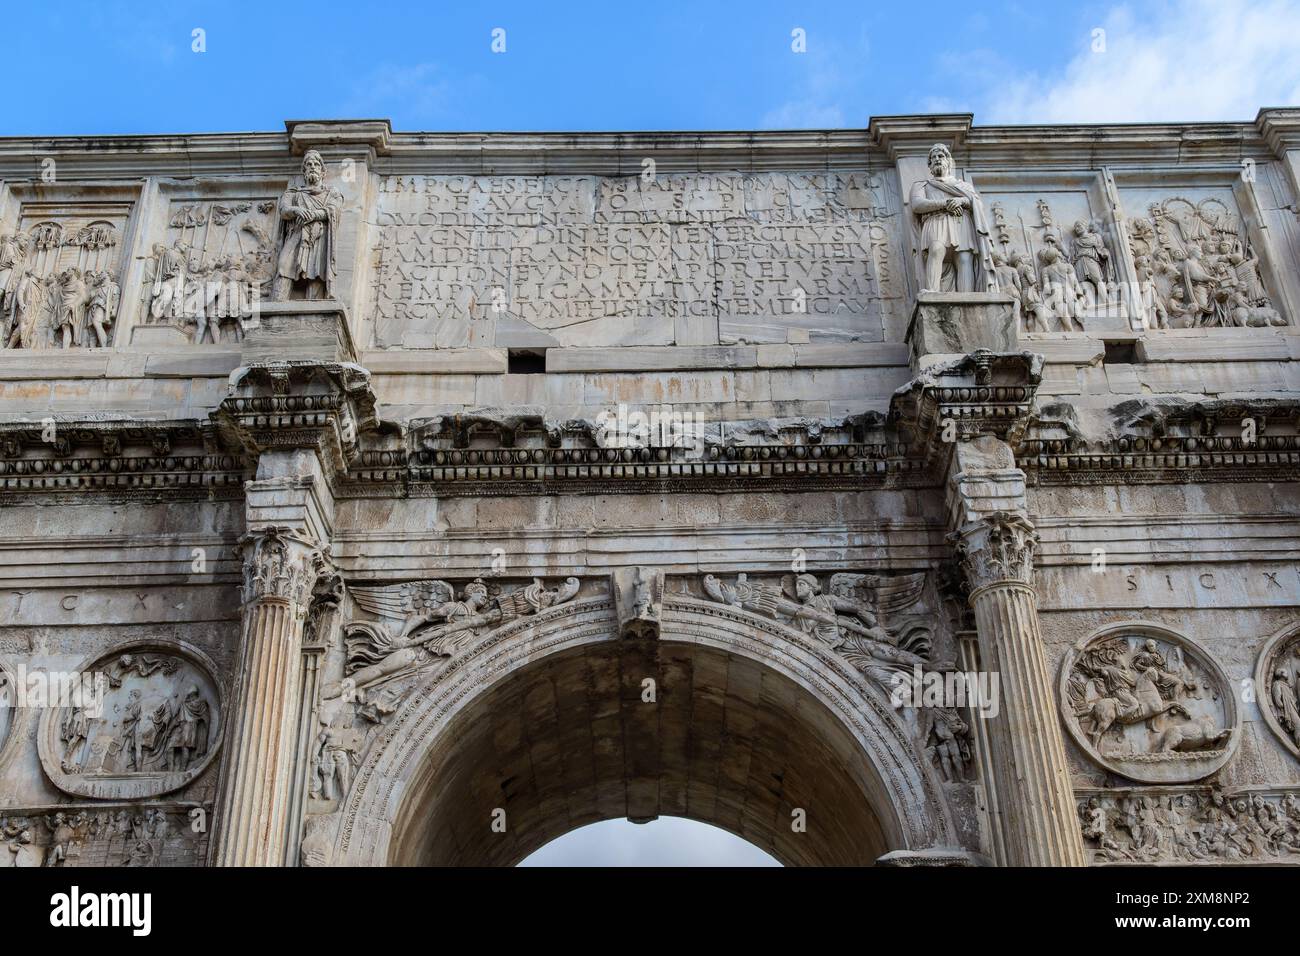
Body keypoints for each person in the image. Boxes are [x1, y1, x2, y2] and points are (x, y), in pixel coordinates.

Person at [909, 143, 996, 293]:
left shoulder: (963, 185)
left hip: (961, 222)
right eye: (933, 158)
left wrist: (961, 201)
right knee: (936, 250)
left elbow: (975, 202)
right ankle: (932, 291)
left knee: (964, 259)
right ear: (929, 166)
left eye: (941, 156)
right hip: (936, 221)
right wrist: (946, 203)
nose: (937, 159)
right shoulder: (922, 185)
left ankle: (967, 297)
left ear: (948, 161)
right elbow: (917, 204)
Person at [274, 149, 343, 300]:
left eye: (316, 164)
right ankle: (277, 302)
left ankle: (315, 308)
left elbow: (333, 209)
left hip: (319, 236)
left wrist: (314, 215)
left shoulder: (332, 192)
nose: (312, 166)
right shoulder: (293, 192)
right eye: (309, 164)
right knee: (283, 265)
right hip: (297, 234)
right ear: (304, 170)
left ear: (322, 171)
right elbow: (284, 210)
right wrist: (296, 210)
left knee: (316, 272)